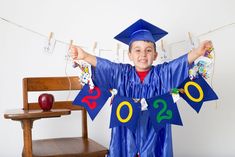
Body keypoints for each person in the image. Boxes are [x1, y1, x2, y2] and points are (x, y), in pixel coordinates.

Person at [70, 19, 213, 157]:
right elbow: (106, 66)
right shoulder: (122, 74)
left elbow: (177, 65)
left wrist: (197, 52)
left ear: (155, 55)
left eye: (148, 50)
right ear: (130, 55)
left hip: (155, 130)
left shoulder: (161, 74)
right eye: (137, 50)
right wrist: (85, 56)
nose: (143, 55)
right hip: (125, 130)